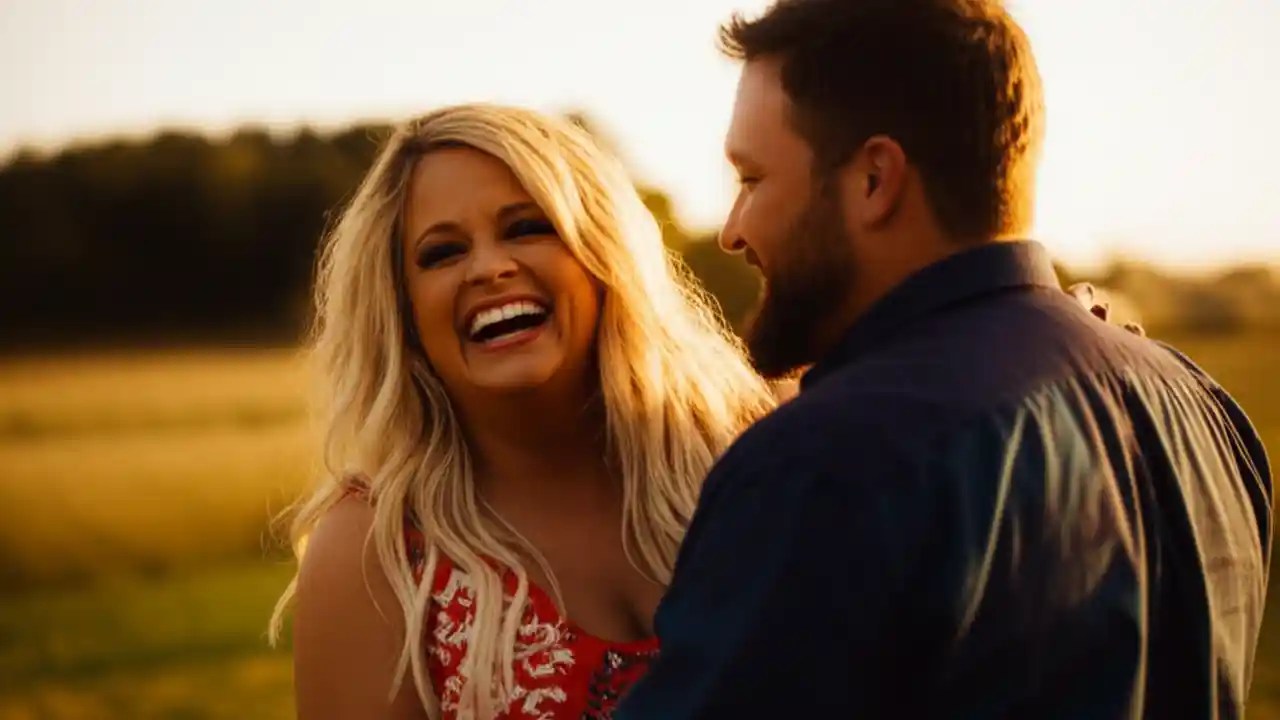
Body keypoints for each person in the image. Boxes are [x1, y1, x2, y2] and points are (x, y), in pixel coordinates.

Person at [616, 0, 1273, 718]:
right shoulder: (1201, 406)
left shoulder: (829, 461)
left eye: (750, 179)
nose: (735, 231)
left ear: (874, 179)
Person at [270, 104, 777, 719]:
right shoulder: (377, 551)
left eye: (526, 228)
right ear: (402, 312)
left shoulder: (749, 456)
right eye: (442, 253)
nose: (489, 268)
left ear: (601, 256)